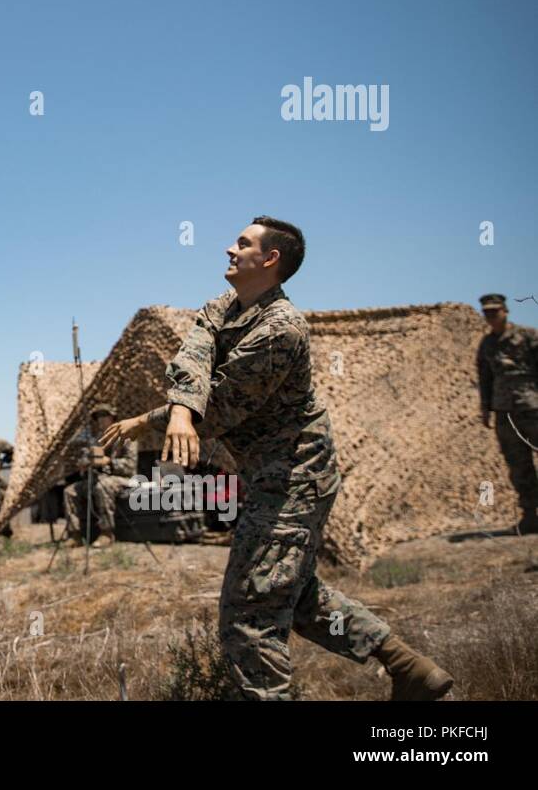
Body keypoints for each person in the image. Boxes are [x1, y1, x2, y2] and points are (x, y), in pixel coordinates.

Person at [103, 216, 453, 701]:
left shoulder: (281, 330)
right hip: (271, 474)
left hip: (295, 477)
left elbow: (222, 406)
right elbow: (196, 351)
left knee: (249, 615)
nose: (228, 248)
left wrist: (157, 418)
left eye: (242, 243)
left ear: (270, 260)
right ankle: (408, 668)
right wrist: (178, 410)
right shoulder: (226, 304)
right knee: (291, 590)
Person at [475, 293, 538, 534]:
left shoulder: (528, 336)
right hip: (505, 412)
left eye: (495, 311)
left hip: (532, 407)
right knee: (518, 464)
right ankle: (530, 515)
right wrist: (485, 409)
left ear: (505, 311)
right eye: (487, 313)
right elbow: (485, 378)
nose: (491, 317)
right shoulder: (487, 344)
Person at [63, 404, 139, 544]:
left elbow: (130, 466)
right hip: (100, 478)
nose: (101, 420)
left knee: (102, 486)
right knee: (70, 491)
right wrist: (86, 464)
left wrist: (108, 462)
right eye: (98, 417)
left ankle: (107, 533)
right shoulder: (97, 440)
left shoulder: (127, 437)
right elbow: (91, 460)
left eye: (104, 415)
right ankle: (75, 534)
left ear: (113, 417)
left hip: (126, 479)